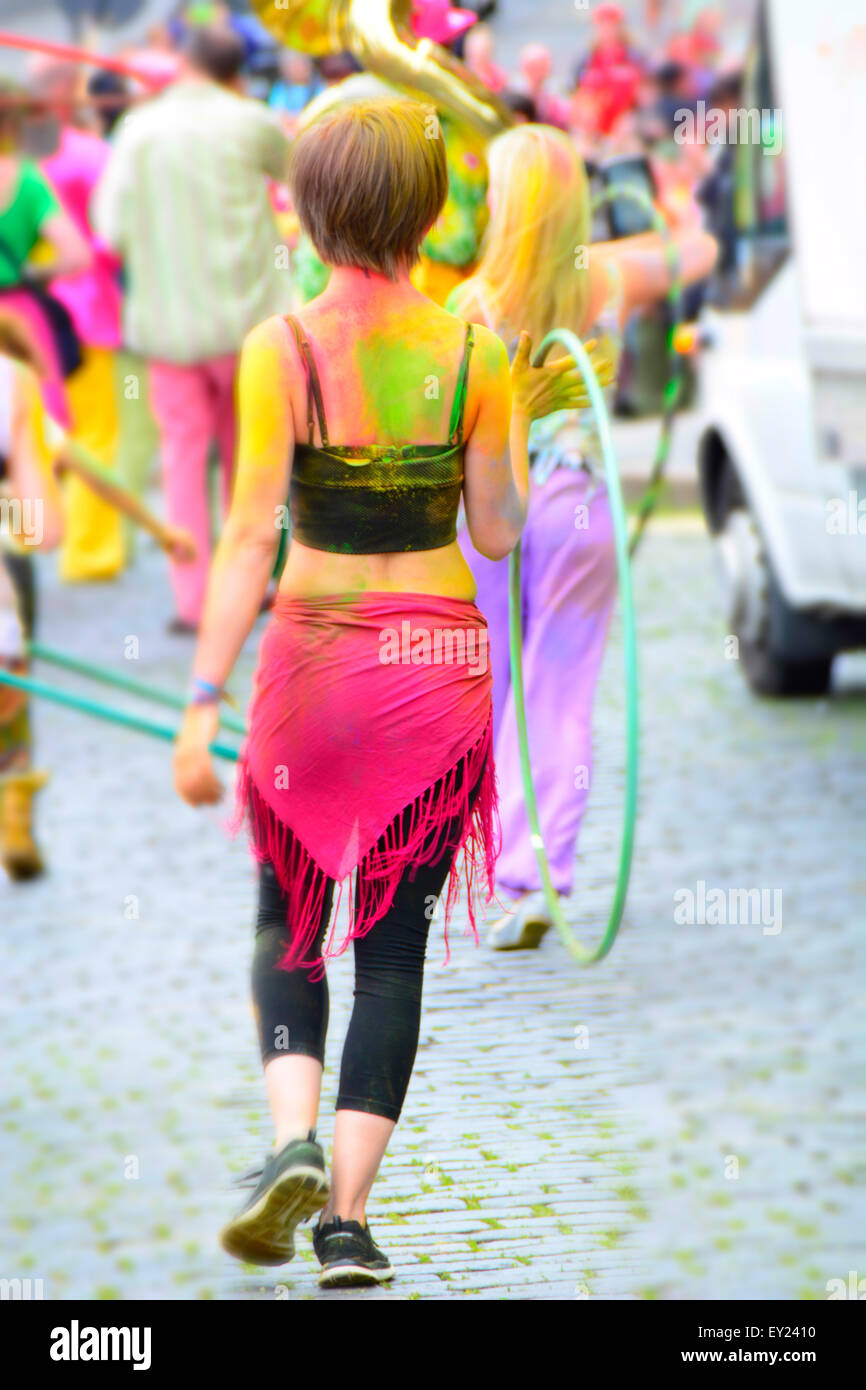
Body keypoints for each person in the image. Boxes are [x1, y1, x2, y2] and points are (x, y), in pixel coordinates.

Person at [172, 98, 585, 1285]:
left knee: (287, 918)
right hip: (435, 675)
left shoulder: (281, 347)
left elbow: (248, 536)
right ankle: (346, 1221)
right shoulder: (475, 352)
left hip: (312, 667)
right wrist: (512, 432)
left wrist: (204, 702)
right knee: (391, 952)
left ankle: (290, 1140)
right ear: (427, 211)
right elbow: (498, 534)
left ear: (311, 208)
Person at [448, 124, 717, 948]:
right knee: (559, 687)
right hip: (577, 503)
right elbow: (696, 252)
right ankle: (538, 873)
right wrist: (674, 203)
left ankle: (485, 862)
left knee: (483, 688)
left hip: (490, 507)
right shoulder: (606, 275)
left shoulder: (471, 304)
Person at [93, 26, 292, 633]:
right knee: (250, 462)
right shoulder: (249, 119)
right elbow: (296, 176)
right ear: (235, 73)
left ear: (184, 64)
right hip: (246, 325)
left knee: (182, 464)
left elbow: (109, 227)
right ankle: (252, 583)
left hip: (170, 329)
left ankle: (192, 599)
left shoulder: (139, 130)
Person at [32, 57, 127, 584]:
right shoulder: (92, 155)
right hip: (84, 310)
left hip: (23, 312)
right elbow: (110, 239)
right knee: (92, 432)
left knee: (32, 429)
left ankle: (29, 540)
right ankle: (88, 552)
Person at [0, 314, 64, 878]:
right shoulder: (11, 381)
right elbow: (42, 529)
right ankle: (14, 810)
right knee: (8, 693)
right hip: (4, 559)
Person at [0, 79, 91, 429]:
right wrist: (33, 272)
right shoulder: (28, 180)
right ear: (12, 124)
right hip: (22, 318)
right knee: (44, 429)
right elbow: (77, 254)